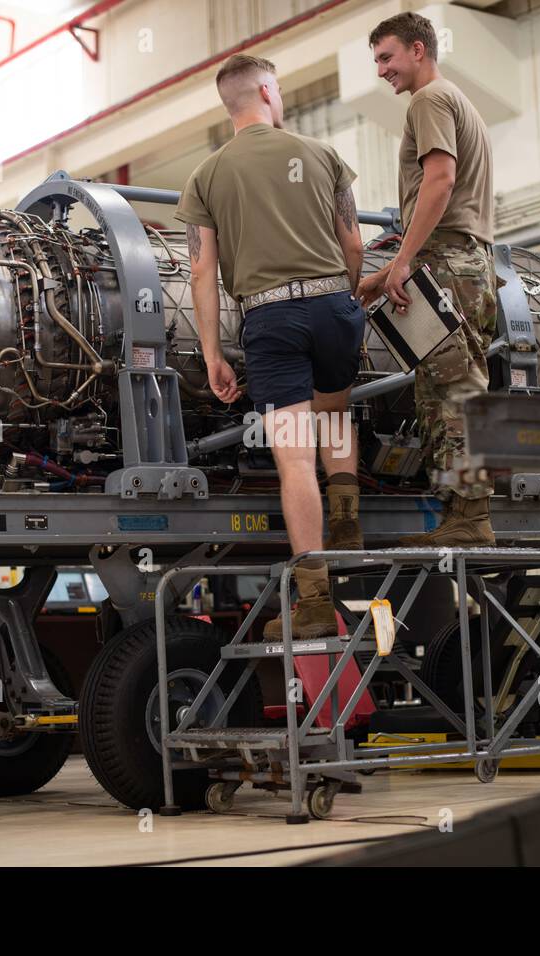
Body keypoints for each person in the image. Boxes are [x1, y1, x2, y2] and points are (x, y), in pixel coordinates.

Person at [176, 53, 367, 639]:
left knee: (292, 457)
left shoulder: (206, 176)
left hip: (270, 317)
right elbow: (354, 243)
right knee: (334, 409)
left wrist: (212, 353)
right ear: (264, 90)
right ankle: (348, 529)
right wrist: (347, 299)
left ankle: (312, 599)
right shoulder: (322, 155)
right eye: (278, 88)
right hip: (335, 303)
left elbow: (202, 273)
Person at [358, 11, 499, 547]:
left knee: (452, 388)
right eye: (377, 61)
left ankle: (470, 518)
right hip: (463, 261)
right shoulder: (456, 101)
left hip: (448, 259)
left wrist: (402, 262)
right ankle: (462, 514)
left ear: (419, 50)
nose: (381, 70)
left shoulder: (430, 100)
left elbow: (440, 181)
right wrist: (389, 271)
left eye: (387, 57)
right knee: (445, 385)